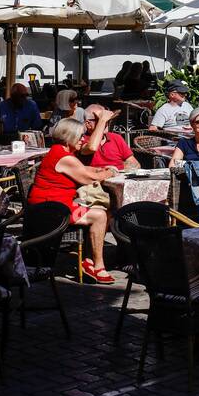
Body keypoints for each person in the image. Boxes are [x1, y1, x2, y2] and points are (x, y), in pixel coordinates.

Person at [28, 114, 119, 283]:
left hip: (54, 205)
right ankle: (98, 266)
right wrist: (110, 172)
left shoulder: (61, 152)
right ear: (68, 137)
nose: (82, 140)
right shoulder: (64, 157)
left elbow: (83, 169)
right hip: (51, 210)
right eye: (79, 136)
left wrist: (99, 170)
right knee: (100, 215)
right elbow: (87, 178)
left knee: (106, 214)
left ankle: (89, 262)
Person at [80, 105, 139, 171]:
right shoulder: (80, 140)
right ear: (88, 124)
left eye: (108, 119)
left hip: (120, 177)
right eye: (100, 119)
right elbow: (92, 148)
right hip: (97, 179)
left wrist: (116, 169)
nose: (106, 123)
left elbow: (135, 164)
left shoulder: (116, 138)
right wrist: (102, 121)